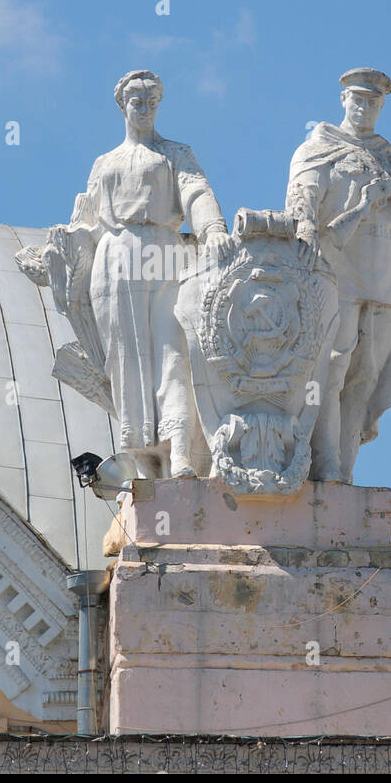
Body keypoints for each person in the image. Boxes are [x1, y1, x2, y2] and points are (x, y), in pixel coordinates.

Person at [67, 70, 234, 477]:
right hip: (115, 258)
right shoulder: (104, 163)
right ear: (122, 106)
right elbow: (85, 220)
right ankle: (142, 458)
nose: (144, 109)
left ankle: (179, 451)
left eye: (151, 102)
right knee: (125, 359)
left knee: (174, 351)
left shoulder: (175, 153)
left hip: (163, 251)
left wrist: (213, 228)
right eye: (136, 102)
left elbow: (196, 192)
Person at [286, 68, 391, 483]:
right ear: (344, 101)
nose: (365, 109)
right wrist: (361, 205)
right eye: (359, 100)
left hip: (385, 286)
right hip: (335, 275)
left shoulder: (388, 159)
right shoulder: (318, 149)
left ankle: (343, 471)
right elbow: (302, 210)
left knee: (365, 379)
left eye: (374, 103)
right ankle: (324, 461)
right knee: (330, 371)